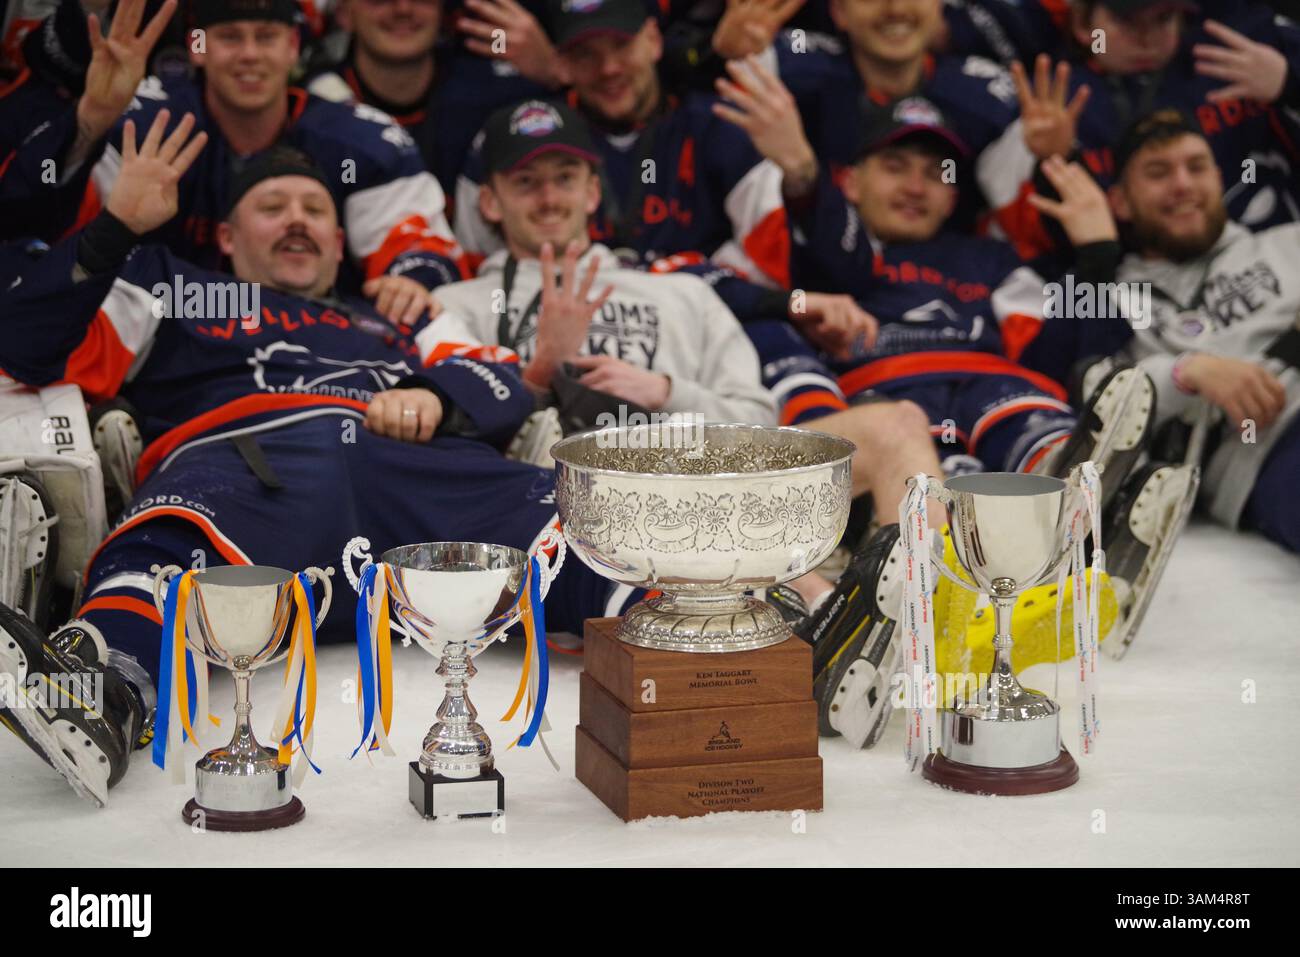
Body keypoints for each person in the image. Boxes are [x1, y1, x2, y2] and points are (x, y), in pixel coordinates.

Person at [0, 109, 634, 808]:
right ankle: (107, 694)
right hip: (249, 461)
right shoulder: (171, 288)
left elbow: (501, 376)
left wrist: (435, 395)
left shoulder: (395, 313)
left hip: (413, 464)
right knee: (166, 547)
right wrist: (115, 228)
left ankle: (701, 641)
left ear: (340, 243)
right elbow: (28, 348)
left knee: (583, 515)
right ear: (226, 237)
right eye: (272, 207)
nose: (296, 220)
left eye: (314, 209)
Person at [6, 0, 469, 322]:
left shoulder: (361, 139)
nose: (249, 54)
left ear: (292, 48)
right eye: (229, 37)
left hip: (322, 345)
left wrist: (408, 282)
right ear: (197, 48)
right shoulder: (144, 119)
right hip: (157, 341)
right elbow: (40, 232)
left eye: (266, 37)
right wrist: (89, 122)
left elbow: (420, 249)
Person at [1034, 108, 1300, 554]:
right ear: (1119, 201)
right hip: (1265, 455)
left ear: (1218, 178)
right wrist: (1185, 372)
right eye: (1158, 173)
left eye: (1196, 167)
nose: (1182, 184)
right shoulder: (1108, 298)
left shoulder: (1287, 243)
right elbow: (1087, 399)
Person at [430, 99, 777, 426]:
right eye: (526, 182)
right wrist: (539, 376)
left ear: (592, 192)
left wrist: (667, 393)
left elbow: (760, 425)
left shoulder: (687, 295)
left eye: (565, 178)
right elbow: (457, 441)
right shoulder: (453, 308)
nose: (549, 199)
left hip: (680, 482)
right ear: (489, 202)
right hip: (542, 487)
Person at [305, 0, 560, 199]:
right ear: (344, 13)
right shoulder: (313, 108)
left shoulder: (495, 90)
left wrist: (554, 75)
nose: (403, 8)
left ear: (443, 9)